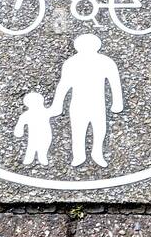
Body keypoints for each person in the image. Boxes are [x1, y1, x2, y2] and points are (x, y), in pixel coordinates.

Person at [51, 33, 123, 167]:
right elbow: (64, 84)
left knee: (100, 129)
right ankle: (79, 155)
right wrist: (57, 105)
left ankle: (97, 153)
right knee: (78, 129)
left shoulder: (105, 61)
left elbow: (114, 83)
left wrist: (118, 102)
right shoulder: (72, 62)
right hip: (78, 103)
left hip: (97, 103)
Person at [12, 91, 57, 165]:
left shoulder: (45, 112)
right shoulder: (27, 114)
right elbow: (20, 124)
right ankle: (30, 158)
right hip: (34, 135)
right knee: (32, 146)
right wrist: (19, 131)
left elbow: (56, 111)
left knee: (44, 145)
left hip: (45, 134)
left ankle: (42, 156)